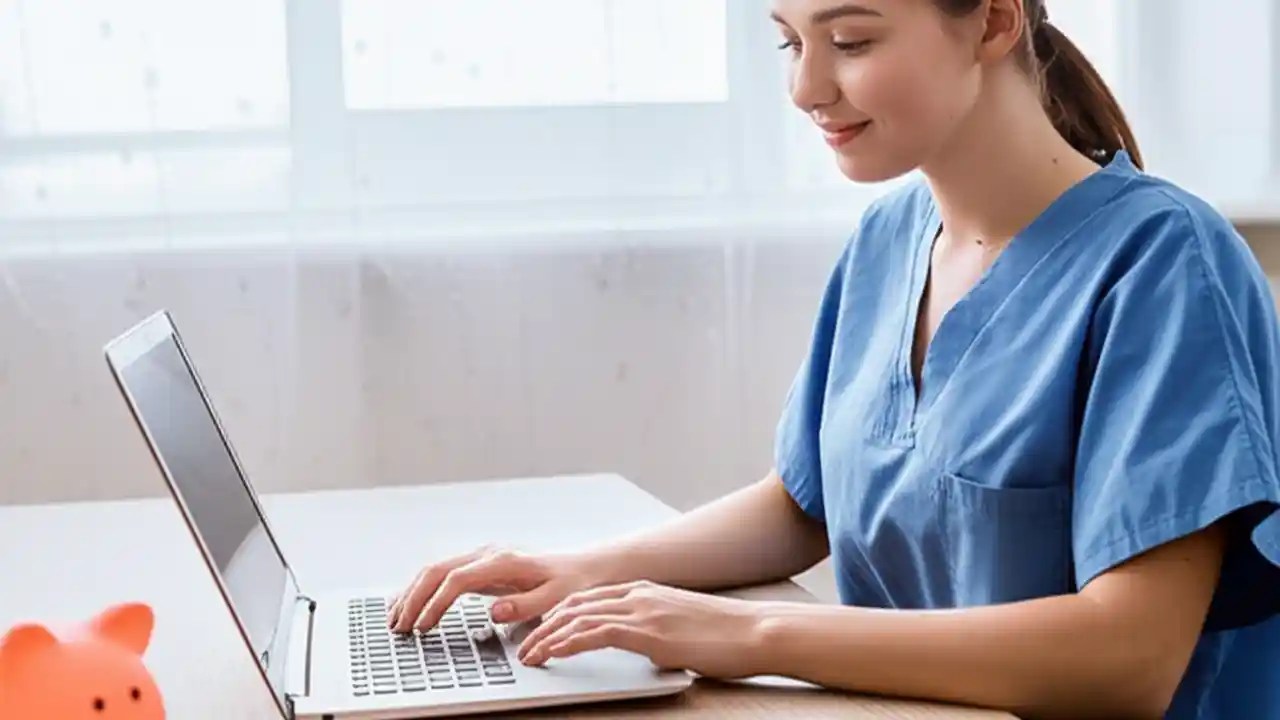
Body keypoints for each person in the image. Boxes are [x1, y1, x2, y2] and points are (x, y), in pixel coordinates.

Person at [389, 1, 1280, 716]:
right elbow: (804, 501)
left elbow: (1125, 663)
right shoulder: (891, 238)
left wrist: (748, 634)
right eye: (788, 41)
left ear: (995, 22)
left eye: (850, 39)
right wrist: (586, 570)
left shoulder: (1163, 264)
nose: (807, 87)